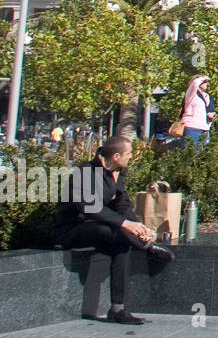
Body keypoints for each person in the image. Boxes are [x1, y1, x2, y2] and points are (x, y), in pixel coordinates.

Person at [56, 135, 175, 324]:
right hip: (74, 229)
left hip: (102, 226)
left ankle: (118, 308)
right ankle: (147, 247)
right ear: (116, 155)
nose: (131, 157)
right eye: (128, 154)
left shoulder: (117, 172)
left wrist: (138, 227)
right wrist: (126, 225)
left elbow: (122, 205)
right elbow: (89, 207)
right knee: (111, 232)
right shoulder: (86, 171)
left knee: (121, 245)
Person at [179, 74, 215, 146]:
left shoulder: (207, 96)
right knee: (190, 152)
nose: (206, 83)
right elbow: (195, 83)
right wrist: (204, 78)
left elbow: (210, 109)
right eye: (204, 82)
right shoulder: (191, 93)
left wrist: (212, 114)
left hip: (205, 128)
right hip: (191, 127)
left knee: (203, 154)